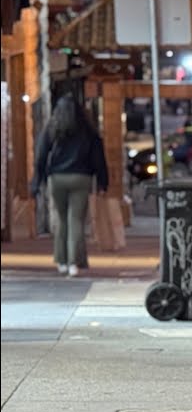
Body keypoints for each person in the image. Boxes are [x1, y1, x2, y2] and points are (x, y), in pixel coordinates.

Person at [33, 95, 109, 277]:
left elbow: (41, 155)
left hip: (57, 178)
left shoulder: (53, 128)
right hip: (81, 178)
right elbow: (98, 158)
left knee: (61, 219)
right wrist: (102, 182)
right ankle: (75, 262)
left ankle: (61, 261)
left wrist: (38, 180)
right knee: (76, 220)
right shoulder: (88, 130)